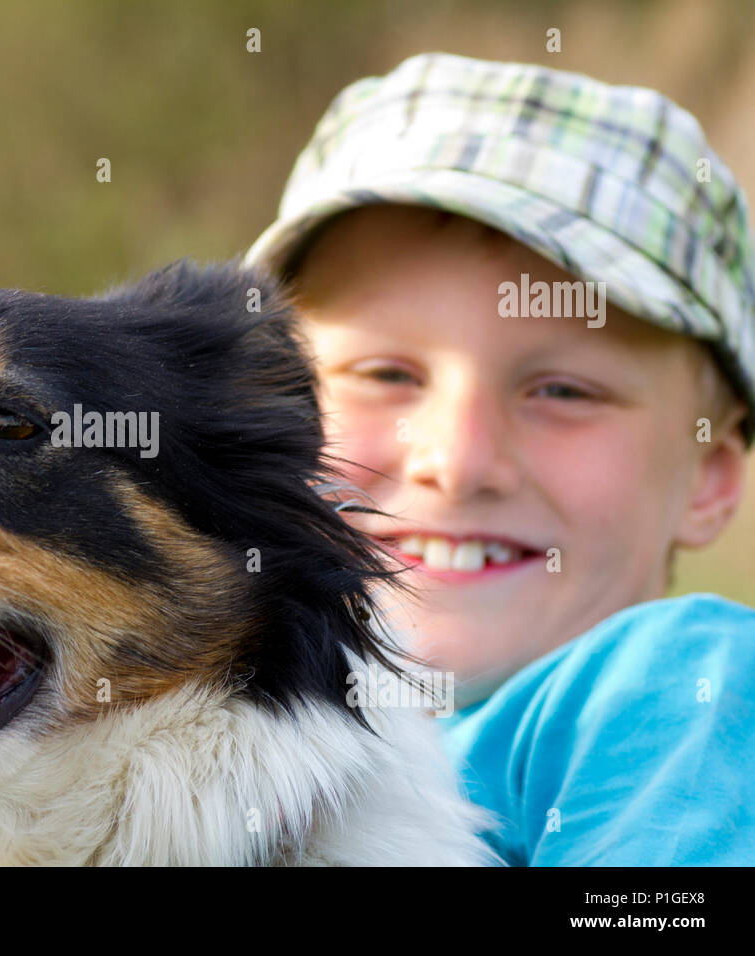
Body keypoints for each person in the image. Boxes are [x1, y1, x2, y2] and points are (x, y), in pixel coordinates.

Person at [245, 52, 755, 865]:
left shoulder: (675, 691)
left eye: (563, 391)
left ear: (709, 477)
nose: (459, 458)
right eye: (384, 375)